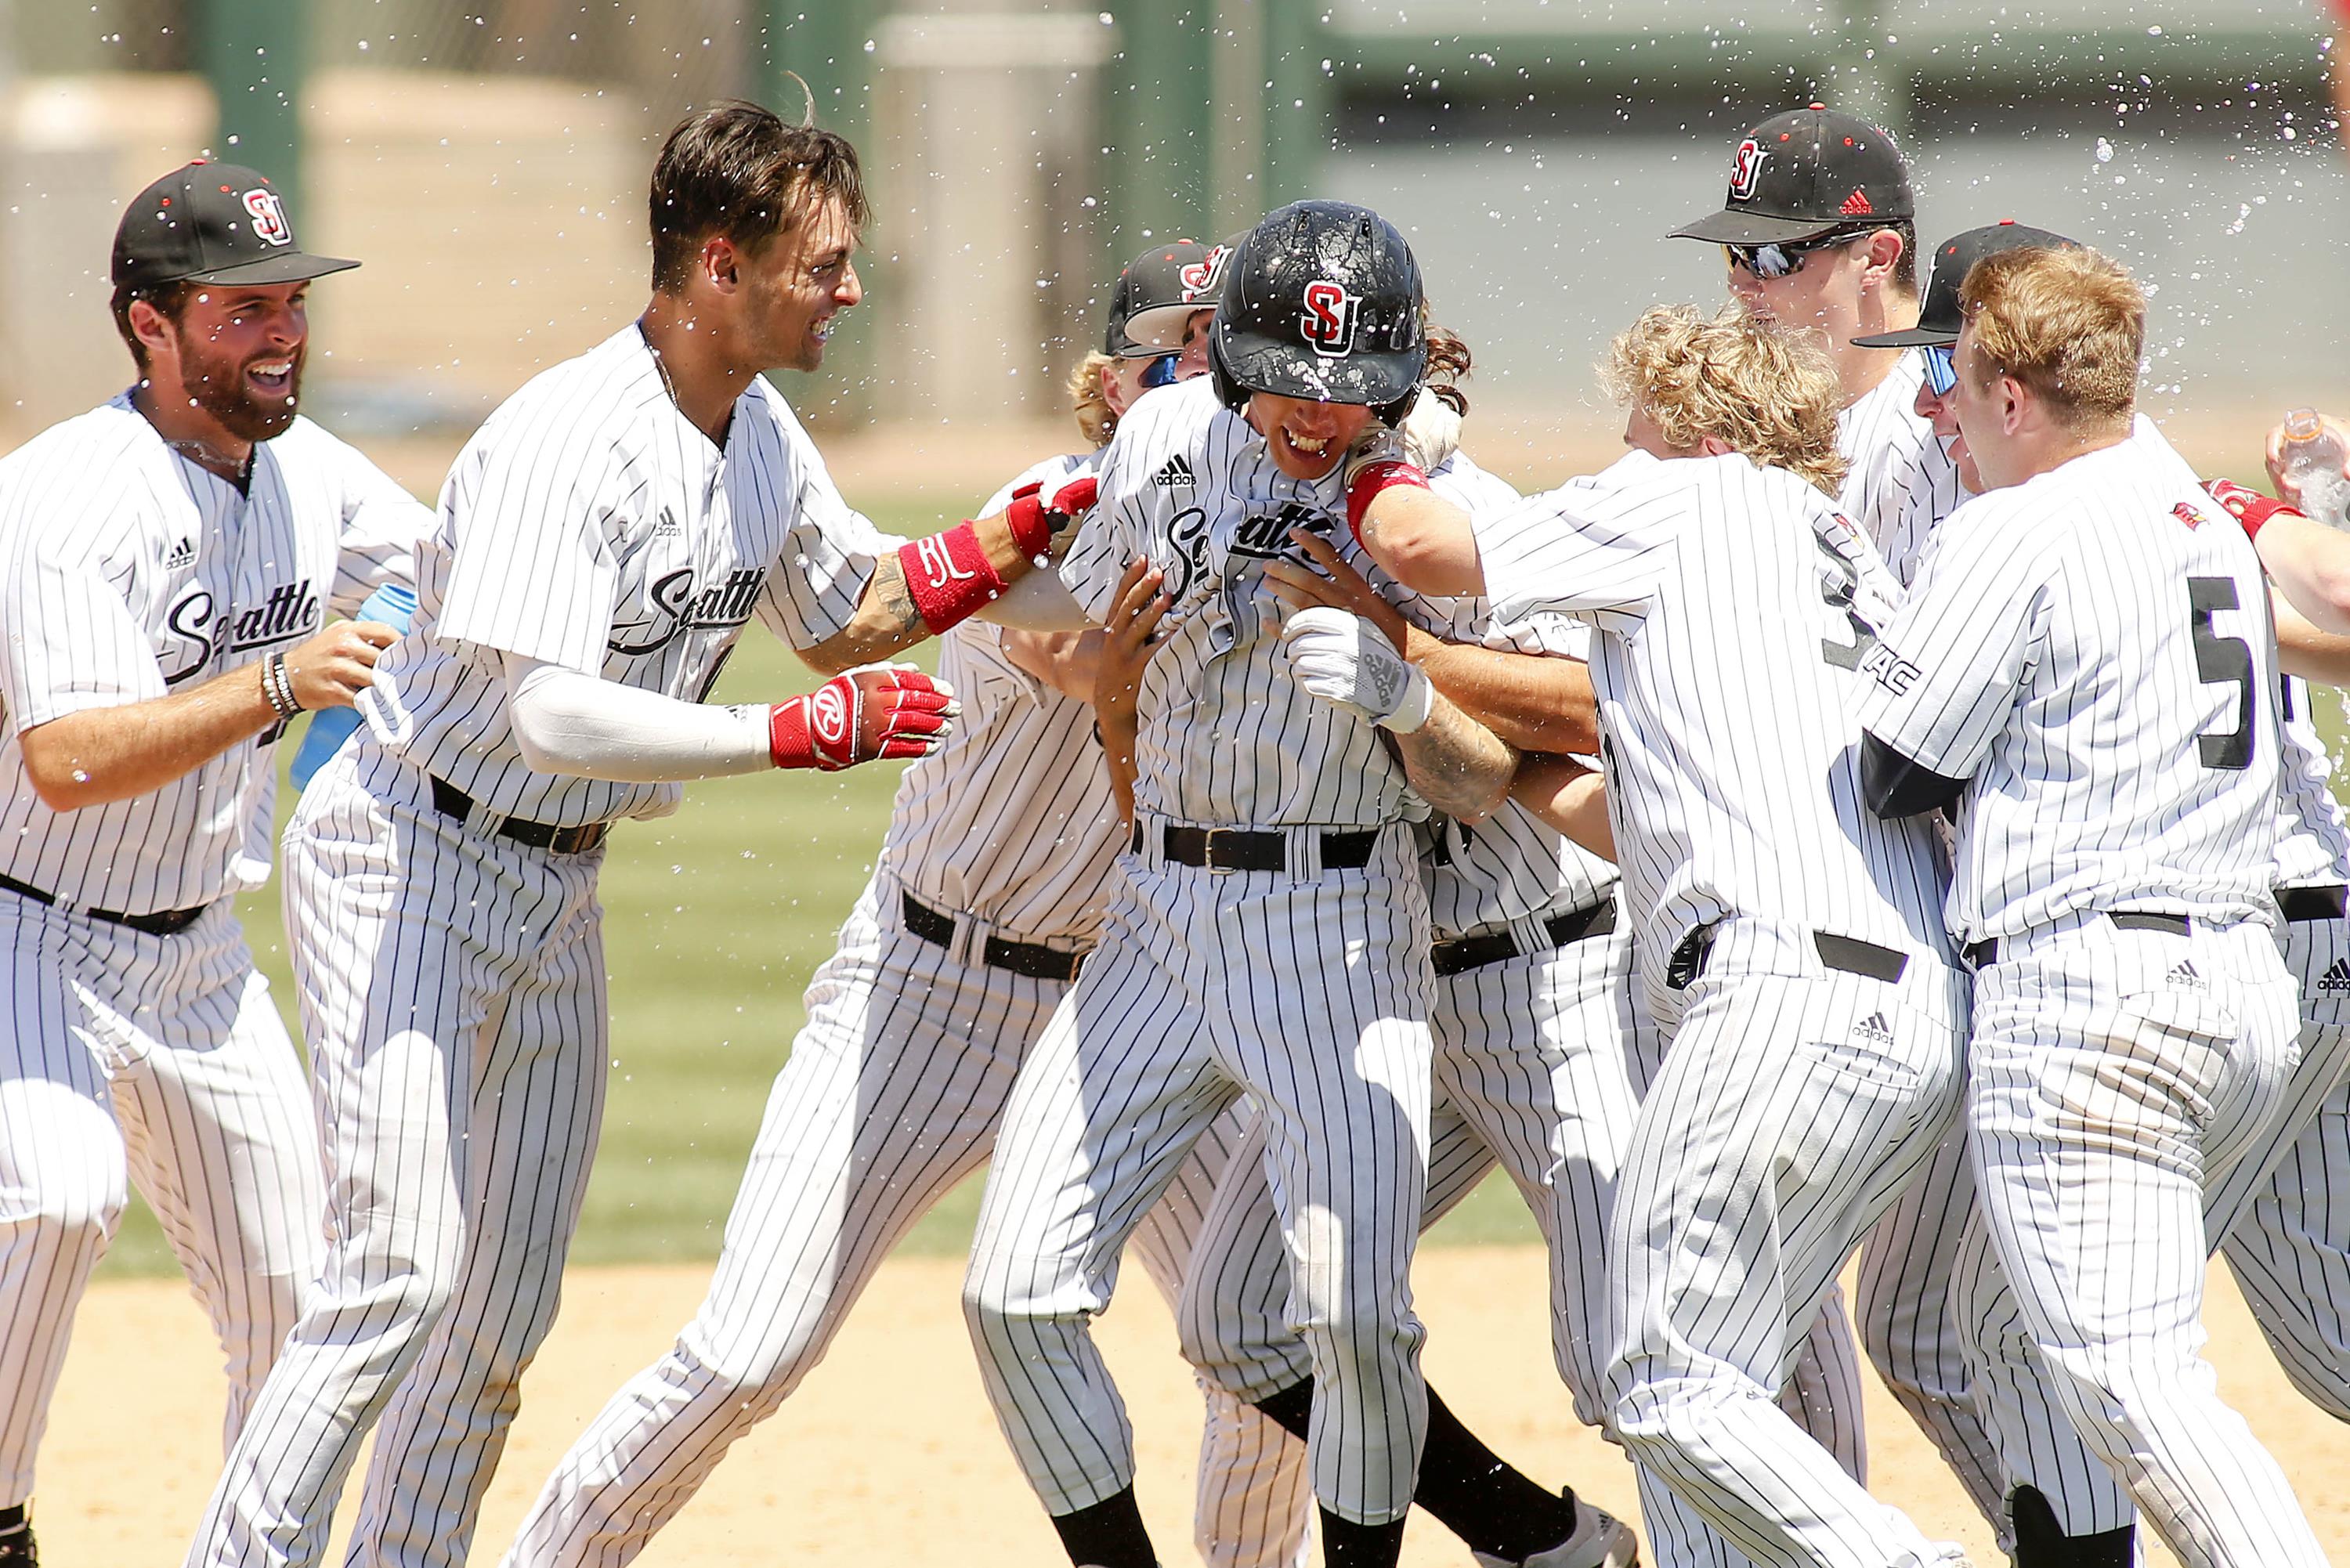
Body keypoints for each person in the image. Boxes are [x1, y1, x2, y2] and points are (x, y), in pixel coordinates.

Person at [183, 102, 1083, 1568]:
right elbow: (551, 719)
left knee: (495, 1323)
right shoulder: (568, 437)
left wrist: (1025, 536)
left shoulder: (758, 430)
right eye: (824, 262)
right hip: (413, 856)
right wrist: (787, 740)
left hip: (556, 889)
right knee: (394, 1276)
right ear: (720, 265)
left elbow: (847, 614)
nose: (849, 289)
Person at [493, 238, 1315, 1568]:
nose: (1209, 371)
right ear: (1107, 382)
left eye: (1235, 348)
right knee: (748, 1351)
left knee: (1262, 1344)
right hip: (932, 992)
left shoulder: (1278, 517)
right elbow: (1075, 647)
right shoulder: (1048, 505)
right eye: (1181, 343)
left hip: (1136, 1003)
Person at [1348, 302, 1971, 1568]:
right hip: (1907, 1006)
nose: (1616, 445)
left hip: (1775, 997)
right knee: (1726, 1380)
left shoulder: (1681, 495)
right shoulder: (1832, 540)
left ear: (1688, 424)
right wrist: (1441, 721)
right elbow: (1640, 813)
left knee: (1659, 1370)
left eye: (1634, 420)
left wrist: (1389, 437)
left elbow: (1413, 540)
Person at [960, 199, 1524, 1568]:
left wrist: (1402, 688)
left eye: (1350, 397)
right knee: (1012, 1292)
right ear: (1226, 358)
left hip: (1339, 923)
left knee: (1353, 1318)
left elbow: (1481, 782)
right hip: (1158, 912)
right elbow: (1101, 661)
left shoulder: (1425, 515)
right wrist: (1111, 675)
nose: (1316, 418)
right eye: (1288, 383)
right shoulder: (1159, 440)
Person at [1136, 325, 1641, 1568]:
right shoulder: (1229, 509)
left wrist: (1406, 650)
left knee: (1643, 1353)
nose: (1309, 412)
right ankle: (1545, 1541)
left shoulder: (1467, 518)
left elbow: (1593, 701)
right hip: (1384, 991)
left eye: (1344, 394)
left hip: (1544, 976)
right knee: (1242, 1314)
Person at [1854, 244, 2326, 1568]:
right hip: (2235, 985)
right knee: (2003, 1332)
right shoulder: (2201, 518)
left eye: (1952, 377)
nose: (1934, 406)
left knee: (2138, 1385)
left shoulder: (2017, 523)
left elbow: (1899, 768)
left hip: (2090, 1005)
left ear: (2016, 396)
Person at [0, 161, 428, 1568]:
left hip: (199, 958)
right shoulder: (63, 498)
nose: (281, 334)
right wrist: (278, 684)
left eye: (289, 303)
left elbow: (457, 564)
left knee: (304, 1300)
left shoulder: (315, 475)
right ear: (150, 325)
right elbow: (65, 760)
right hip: (29, 932)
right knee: (53, 1193)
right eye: (241, 310)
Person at [1670, 101, 1955, 587]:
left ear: (1877, 257)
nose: (1741, 283)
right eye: (1734, 254)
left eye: (1772, 256)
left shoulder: (1943, 434)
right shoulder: (1754, 415)